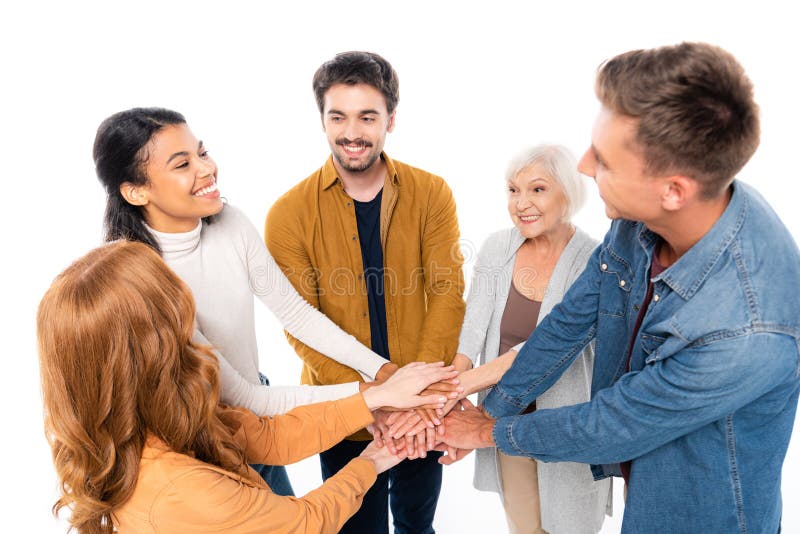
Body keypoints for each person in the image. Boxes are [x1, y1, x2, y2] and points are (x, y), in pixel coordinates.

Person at [438, 42, 800, 533]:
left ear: (673, 190)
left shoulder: (746, 328)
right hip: (644, 481)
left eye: (604, 161)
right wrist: (489, 410)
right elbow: (568, 324)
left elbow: (612, 424)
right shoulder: (640, 217)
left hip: (701, 514)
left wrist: (488, 431)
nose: (584, 166)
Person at [92, 107, 457, 495]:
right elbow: (244, 399)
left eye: (202, 152)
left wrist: (384, 372)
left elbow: (296, 314)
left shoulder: (230, 223)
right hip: (205, 444)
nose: (207, 169)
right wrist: (377, 396)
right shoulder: (145, 282)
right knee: (298, 516)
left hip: (257, 414)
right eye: (183, 164)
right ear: (136, 191)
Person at [37, 240, 459, 533]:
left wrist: (375, 400)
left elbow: (269, 436)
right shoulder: (180, 489)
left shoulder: (158, 418)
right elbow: (304, 523)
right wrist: (368, 464)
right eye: (180, 321)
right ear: (148, 353)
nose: (194, 331)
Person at [265, 51, 468, 533]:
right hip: (340, 408)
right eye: (338, 116)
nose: (351, 132)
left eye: (367, 117)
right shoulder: (288, 214)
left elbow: (447, 292)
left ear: (390, 120)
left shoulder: (432, 193)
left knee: (417, 524)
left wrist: (417, 398)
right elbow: (299, 322)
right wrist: (371, 400)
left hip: (420, 406)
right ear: (322, 120)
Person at [453, 144, 610, 534]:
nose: (521, 203)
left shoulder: (593, 259)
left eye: (537, 189)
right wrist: (453, 390)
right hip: (504, 419)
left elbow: (552, 343)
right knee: (524, 527)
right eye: (513, 190)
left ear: (568, 193)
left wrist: (465, 384)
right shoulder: (497, 247)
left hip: (567, 422)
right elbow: (473, 329)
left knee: (573, 527)